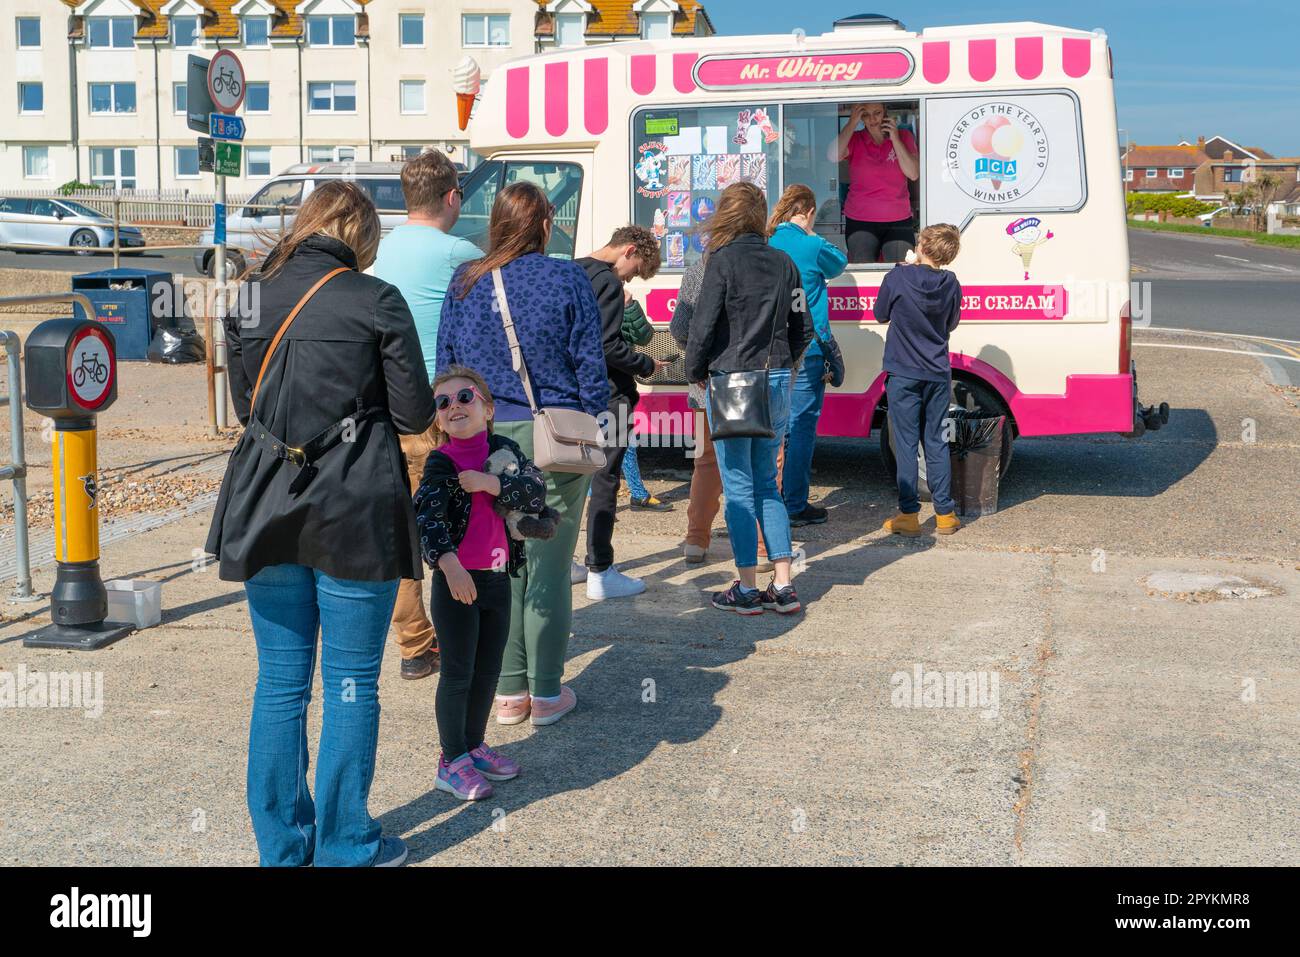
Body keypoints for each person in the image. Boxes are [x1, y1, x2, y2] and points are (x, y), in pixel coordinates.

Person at [205, 181, 433, 868]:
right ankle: (344, 844)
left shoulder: (247, 294)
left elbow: (249, 407)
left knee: (279, 680)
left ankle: (283, 848)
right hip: (354, 507)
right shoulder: (376, 299)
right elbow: (415, 414)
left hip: (266, 501)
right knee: (352, 680)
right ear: (360, 233)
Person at [437, 181, 609, 727]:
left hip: (486, 441)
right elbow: (591, 367)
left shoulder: (465, 283)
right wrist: (595, 423)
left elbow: (447, 364)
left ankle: (508, 694)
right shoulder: (567, 277)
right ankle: (548, 695)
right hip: (554, 437)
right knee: (551, 568)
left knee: (502, 564)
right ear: (543, 224)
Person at [371, 149, 484, 682]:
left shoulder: (377, 253)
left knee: (404, 529)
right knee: (455, 525)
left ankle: (415, 646)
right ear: (452, 197)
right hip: (445, 412)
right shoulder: (461, 251)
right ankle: (461, 633)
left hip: (386, 410)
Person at [414, 366, 546, 801]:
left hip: (495, 579)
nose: (455, 406)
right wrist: (448, 565)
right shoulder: (441, 462)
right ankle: (450, 760)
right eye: (443, 402)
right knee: (457, 673)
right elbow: (427, 518)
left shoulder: (505, 451)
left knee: (488, 670)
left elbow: (535, 492)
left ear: (488, 408)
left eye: (465, 397)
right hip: (457, 583)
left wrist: (492, 483)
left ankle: (473, 745)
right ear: (437, 418)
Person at [686, 182, 810, 615]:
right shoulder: (785, 263)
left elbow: (702, 328)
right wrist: (786, 367)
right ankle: (784, 584)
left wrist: (696, 373)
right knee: (767, 485)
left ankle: (745, 588)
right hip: (776, 377)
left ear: (726, 215)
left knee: (738, 487)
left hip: (733, 379)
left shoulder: (720, 262)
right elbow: (803, 326)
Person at [575, 226, 669, 600]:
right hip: (610, 395)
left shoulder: (573, 270)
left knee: (569, 481)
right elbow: (609, 345)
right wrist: (645, 363)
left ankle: (563, 561)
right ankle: (600, 569)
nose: (631, 278)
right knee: (606, 480)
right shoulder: (610, 284)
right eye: (636, 269)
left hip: (571, 396)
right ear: (629, 249)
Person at [872, 223, 964, 536]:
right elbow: (950, 324)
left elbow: (880, 314)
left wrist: (905, 270)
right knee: (936, 442)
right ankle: (945, 514)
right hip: (937, 373)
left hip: (903, 373)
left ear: (921, 246)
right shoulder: (951, 283)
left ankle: (909, 516)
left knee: (907, 445)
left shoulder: (897, 277)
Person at [767, 184, 849, 527]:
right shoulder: (813, 244)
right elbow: (840, 263)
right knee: (801, 427)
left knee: (774, 429)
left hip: (771, 349)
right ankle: (795, 503)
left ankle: (770, 501)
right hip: (809, 349)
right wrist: (812, 233)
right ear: (810, 211)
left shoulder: (768, 242)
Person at [669, 257, 722, 563]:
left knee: (706, 463)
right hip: (754, 386)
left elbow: (679, 327)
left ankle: (696, 541)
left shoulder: (700, 269)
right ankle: (761, 546)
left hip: (706, 385)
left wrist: (697, 355)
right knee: (764, 466)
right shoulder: (770, 260)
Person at [828, 102, 919, 264]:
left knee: (903, 272)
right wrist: (851, 123)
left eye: (876, 112)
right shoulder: (855, 139)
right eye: (865, 114)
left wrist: (895, 139)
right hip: (861, 220)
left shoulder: (904, 136)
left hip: (898, 219)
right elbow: (832, 156)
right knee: (864, 273)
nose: (872, 119)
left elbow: (913, 173)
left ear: (885, 110)